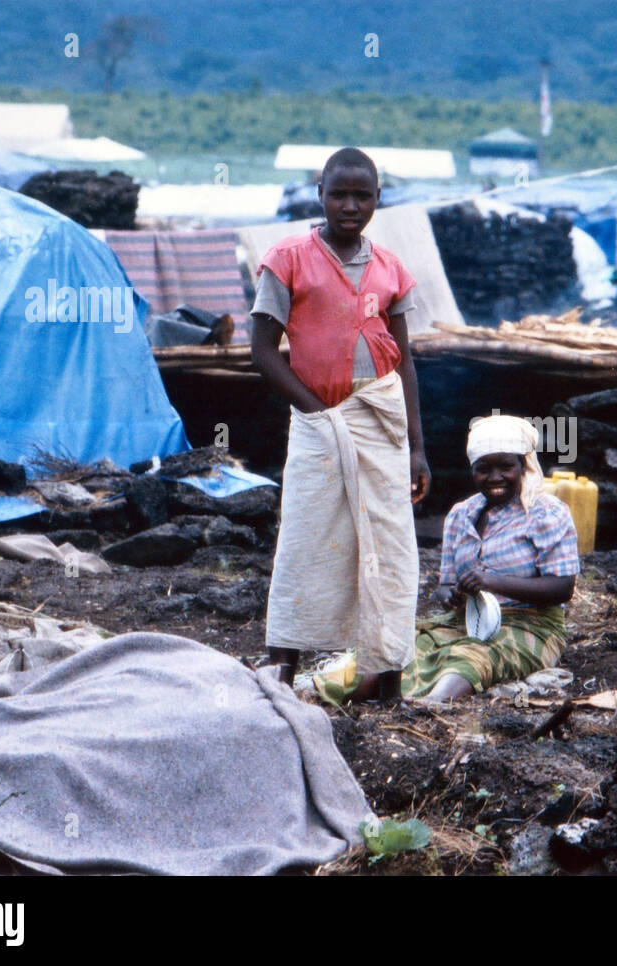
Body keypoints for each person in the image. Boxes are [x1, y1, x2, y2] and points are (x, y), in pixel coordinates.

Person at [250, 147, 431, 699]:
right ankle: (282, 669)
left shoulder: (390, 269)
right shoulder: (288, 258)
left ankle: (388, 677)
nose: (350, 206)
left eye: (363, 195)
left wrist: (418, 448)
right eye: (339, 194)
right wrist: (314, 410)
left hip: (381, 419)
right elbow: (262, 350)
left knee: (392, 544)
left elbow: (404, 361)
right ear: (319, 195)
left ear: (378, 198)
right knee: (305, 537)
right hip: (317, 420)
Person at [313, 414, 579, 705]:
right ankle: (346, 690)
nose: (495, 478)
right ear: (472, 470)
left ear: (523, 466)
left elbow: (562, 587)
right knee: (394, 651)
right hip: (463, 620)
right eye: (483, 469)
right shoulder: (461, 515)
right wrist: (451, 596)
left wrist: (492, 582)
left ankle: (432, 703)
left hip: (530, 624)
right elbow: (444, 585)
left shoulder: (546, 512)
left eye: (506, 467)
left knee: (473, 657)